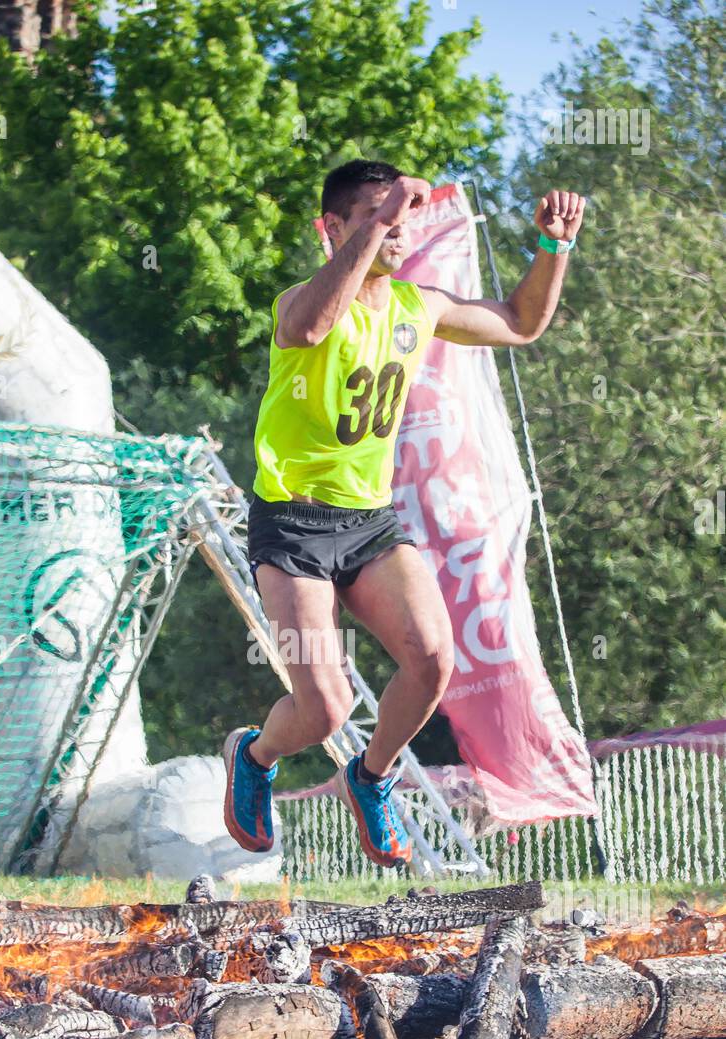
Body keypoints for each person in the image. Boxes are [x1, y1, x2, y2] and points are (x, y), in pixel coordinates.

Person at [223, 159, 586, 867]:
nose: (394, 227)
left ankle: (372, 774)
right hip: (292, 528)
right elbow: (307, 329)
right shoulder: (302, 299)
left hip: (368, 524)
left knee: (431, 661)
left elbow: (518, 322)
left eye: (398, 215)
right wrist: (382, 217)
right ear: (330, 229)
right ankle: (256, 753)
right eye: (370, 213)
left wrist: (553, 247)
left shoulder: (418, 306)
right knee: (323, 709)